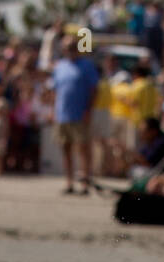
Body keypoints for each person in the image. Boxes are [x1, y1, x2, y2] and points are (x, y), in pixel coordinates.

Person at [52, 31, 99, 195]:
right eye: (66, 47)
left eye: (72, 47)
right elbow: (55, 91)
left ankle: (85, 183)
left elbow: (94, 90)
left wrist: (88, 110)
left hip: (80, 114)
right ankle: (69, 182)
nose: (69, 50)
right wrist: (54, 112)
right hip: (62, 114)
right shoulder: (59, 66)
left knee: (83, 150)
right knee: (66, 149)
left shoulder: (87, 66)